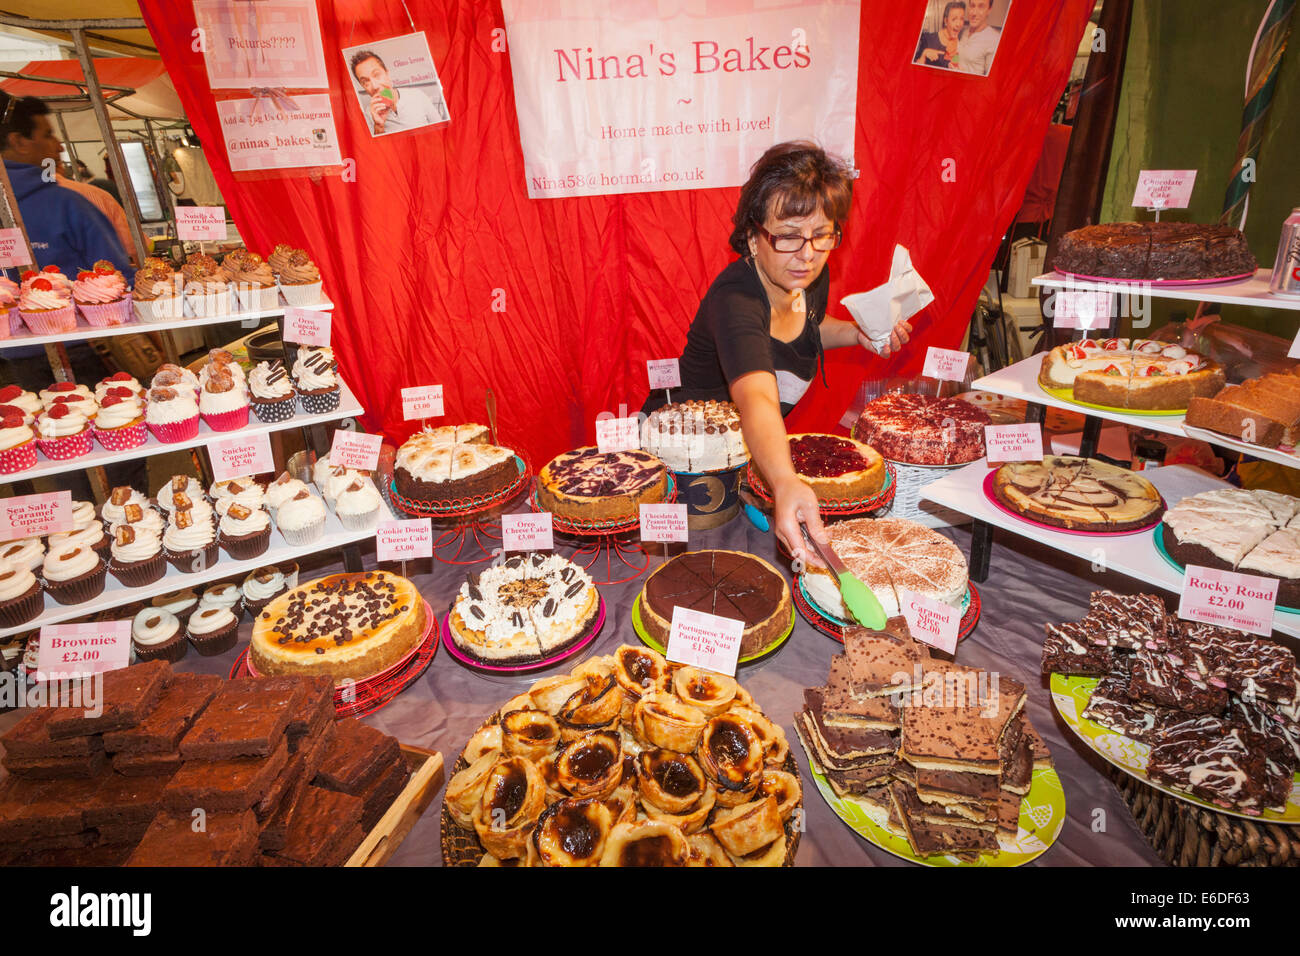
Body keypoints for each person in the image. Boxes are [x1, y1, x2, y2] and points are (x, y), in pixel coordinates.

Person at [645, 142, 911, 567]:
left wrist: (857, 333)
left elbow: (803, 329)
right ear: (753, 235)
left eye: (822, 234)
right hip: (683, 466)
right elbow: (758, 397)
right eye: (788, 236)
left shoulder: (805, 275)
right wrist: (784, 481)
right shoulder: (736, 299)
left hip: (744, 455)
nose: (807, 254)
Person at [0, 95, 130, 276]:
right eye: (47, 135)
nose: (59, 146)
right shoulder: (67, 204)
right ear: (19, 142)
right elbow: (118, 280)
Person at [348, 50, 444, 136]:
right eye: (365, 82)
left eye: (377, 75)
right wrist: (379, 127)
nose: (375, 86)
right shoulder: (368, 115)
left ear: (387, 73)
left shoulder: (418, 95)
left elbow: (442, 131)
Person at [954, 0, 1002, 76]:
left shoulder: (995, 39)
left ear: (989, 10)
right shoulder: (963, 31)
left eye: (981, 7)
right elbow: (958, 54)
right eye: (972, 6)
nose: (974, 13)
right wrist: (953, 64)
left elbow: (991, 79)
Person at [915, 2, 966, 70]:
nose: (959, 24)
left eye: (961, 19)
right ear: (946, 21)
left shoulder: (961, 44)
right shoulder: (928, 39)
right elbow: (914, 70)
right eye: (954, 19)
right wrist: (924, 53)